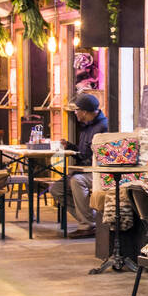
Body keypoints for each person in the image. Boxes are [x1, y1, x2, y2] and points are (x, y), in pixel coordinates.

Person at [49, 92, 108, 239]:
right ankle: (91, 219)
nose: (75, 113)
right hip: (83, 169)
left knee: (77, 181)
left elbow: (98, 156)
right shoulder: (87, 126)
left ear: (85, 112)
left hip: (97, 172)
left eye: (77, 110)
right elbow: (84, 151)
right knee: (56, 189)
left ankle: (87, 225)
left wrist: (77, 159)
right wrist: (70, 146)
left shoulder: (103, 127)